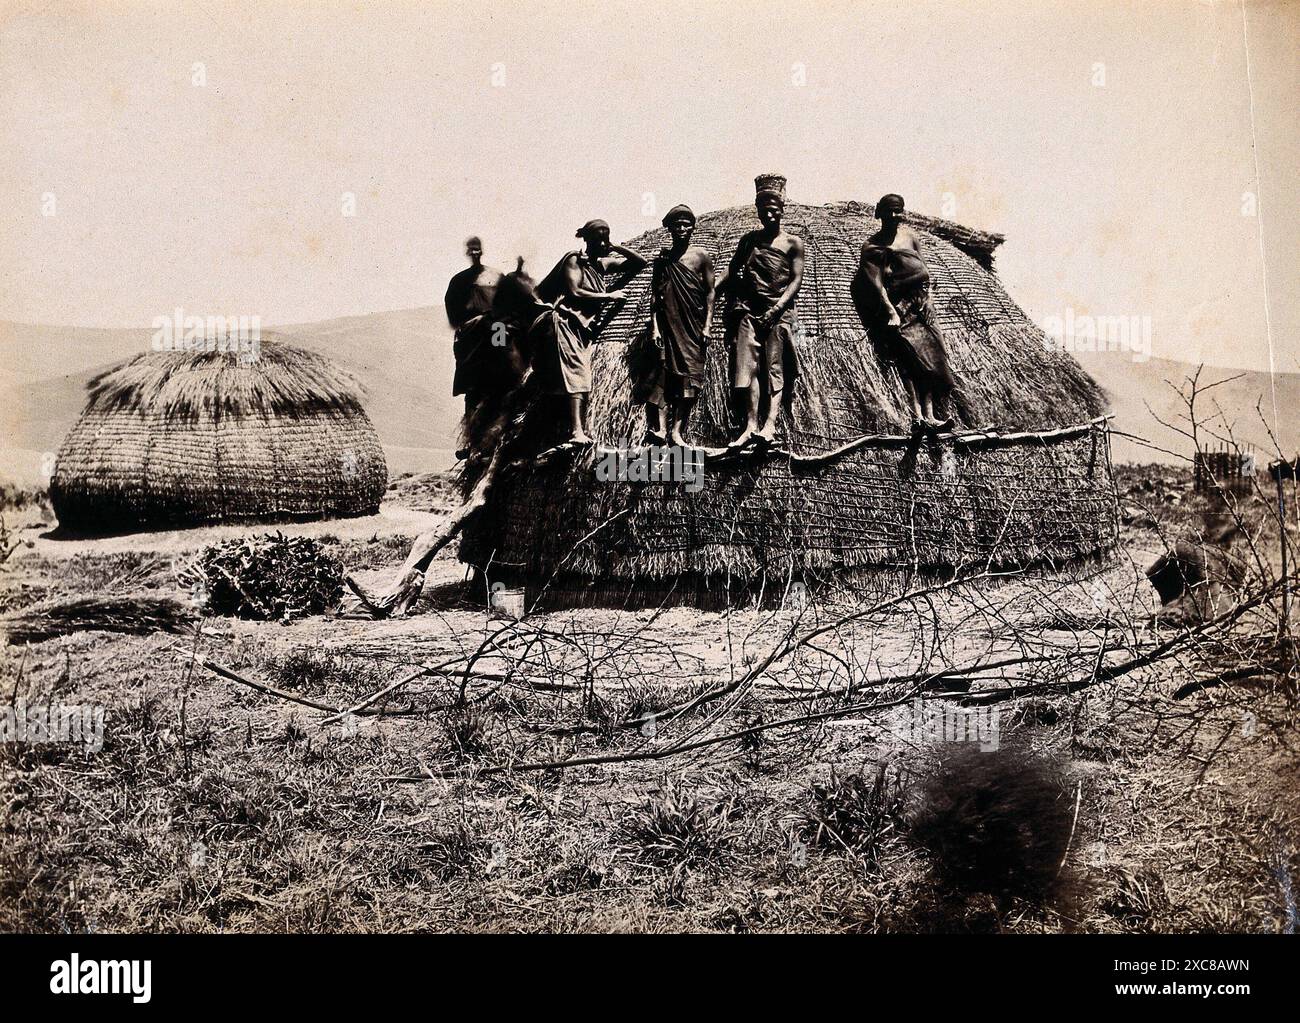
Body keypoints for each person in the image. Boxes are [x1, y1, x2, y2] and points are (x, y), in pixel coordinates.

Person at [535, 220, 647, 444]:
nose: (603, 242)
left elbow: (640, 263)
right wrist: (609, 296)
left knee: (580, 375)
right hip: (566, 322)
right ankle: (576, 431)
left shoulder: (601, 265)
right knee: (578, 375)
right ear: (586, 239)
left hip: (582, 329)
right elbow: (575, 291)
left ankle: (574, 427)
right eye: (598, 238)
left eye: (606, 237)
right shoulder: (574, 260)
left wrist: (614, 247)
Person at [853, 193, 956, 431]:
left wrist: (927, 300)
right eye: (888, 211)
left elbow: (924, 269)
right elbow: (875, 285)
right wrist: (891, 312)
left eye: (897, 210)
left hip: (922, 306)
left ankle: (931, 415)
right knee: (909, 358)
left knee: (931, 356)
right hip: (899, 309)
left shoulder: (910, 238)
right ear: (879, 213)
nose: (893, 216)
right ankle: (916, 414)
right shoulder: (872, 247)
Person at [719, 174, 804, 450]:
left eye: (774, 208)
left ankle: (771, 424)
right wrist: (709, 292)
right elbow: (731, 271)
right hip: (750, 311)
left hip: (778, 312)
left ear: (781, 210)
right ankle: (750, 425)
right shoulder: (749, 241)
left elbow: (796, 280)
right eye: (763, 208)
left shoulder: (793, 243)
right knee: (748, 367)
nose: (769, 213)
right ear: (757, 211)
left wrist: (777, 308)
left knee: (774, 367)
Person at [647, 204, 714, 446]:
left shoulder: (701, 257)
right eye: (677, 225)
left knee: (690, 377)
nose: (682, 229)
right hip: (667, 327)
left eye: (686, 224)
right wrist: (654, 327)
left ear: (693, 227)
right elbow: (655, 298)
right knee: (664, 373)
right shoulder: (662, 261)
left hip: (691, 327)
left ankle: (677, 430)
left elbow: (710, 293)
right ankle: (660, 429)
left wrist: (707, 325)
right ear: (670, 229)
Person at [443, 237, 506, 419]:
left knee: (501, 371)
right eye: (471, 250)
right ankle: (471, 430)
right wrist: (467, 325)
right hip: (472, 335)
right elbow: (452, 309)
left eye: (477, 249)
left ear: (482, 251)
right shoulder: (459, 280)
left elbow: (507, 302)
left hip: (496, 328)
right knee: (473, 383)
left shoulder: (496, 276)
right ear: (467, 252)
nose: (475, 253)